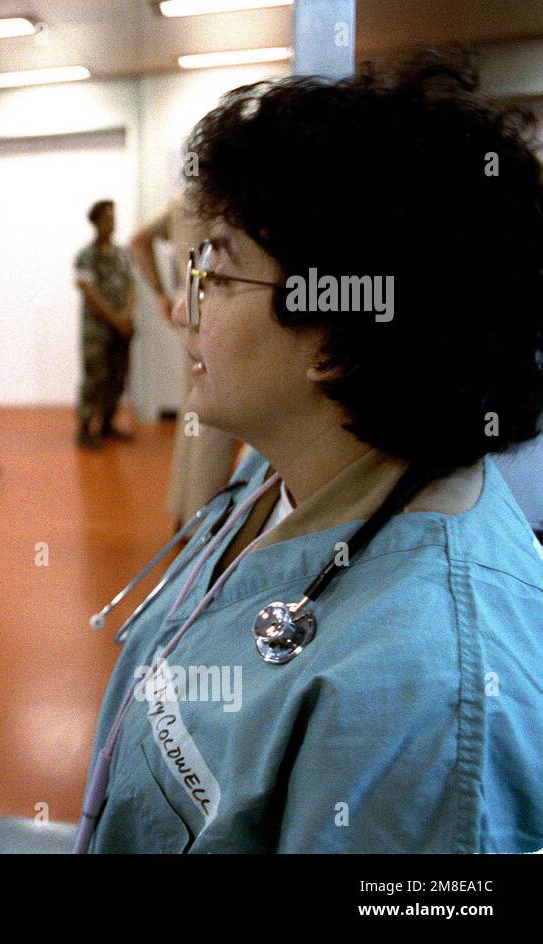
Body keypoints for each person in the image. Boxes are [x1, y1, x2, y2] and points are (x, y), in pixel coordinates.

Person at [78, 52, 543, 853]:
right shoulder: (291, 470)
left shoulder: (428, 699)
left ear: (334, 334)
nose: (187, 311)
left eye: (219, 275)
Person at [130, 196, 238, 520]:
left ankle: (183, 509)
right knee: (216, 419)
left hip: (190, 303)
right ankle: (203, 520)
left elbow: (137, 241)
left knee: (193, 409)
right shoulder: (224, 198)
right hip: (216, 305)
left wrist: (161, 294)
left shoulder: (184, 199)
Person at [74, 200, 136, 448]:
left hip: (122, 326)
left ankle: (108, 424)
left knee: (117, 376)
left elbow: (131, 286)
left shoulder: (121, 254)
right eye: (107, 218)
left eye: (113, 217)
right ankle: (86, 428)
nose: (112, 223)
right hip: (97, 330)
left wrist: (127, 316)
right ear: (96, 222)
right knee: (96, 377)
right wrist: (115, 318)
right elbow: (89, 290)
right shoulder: (85, 256)